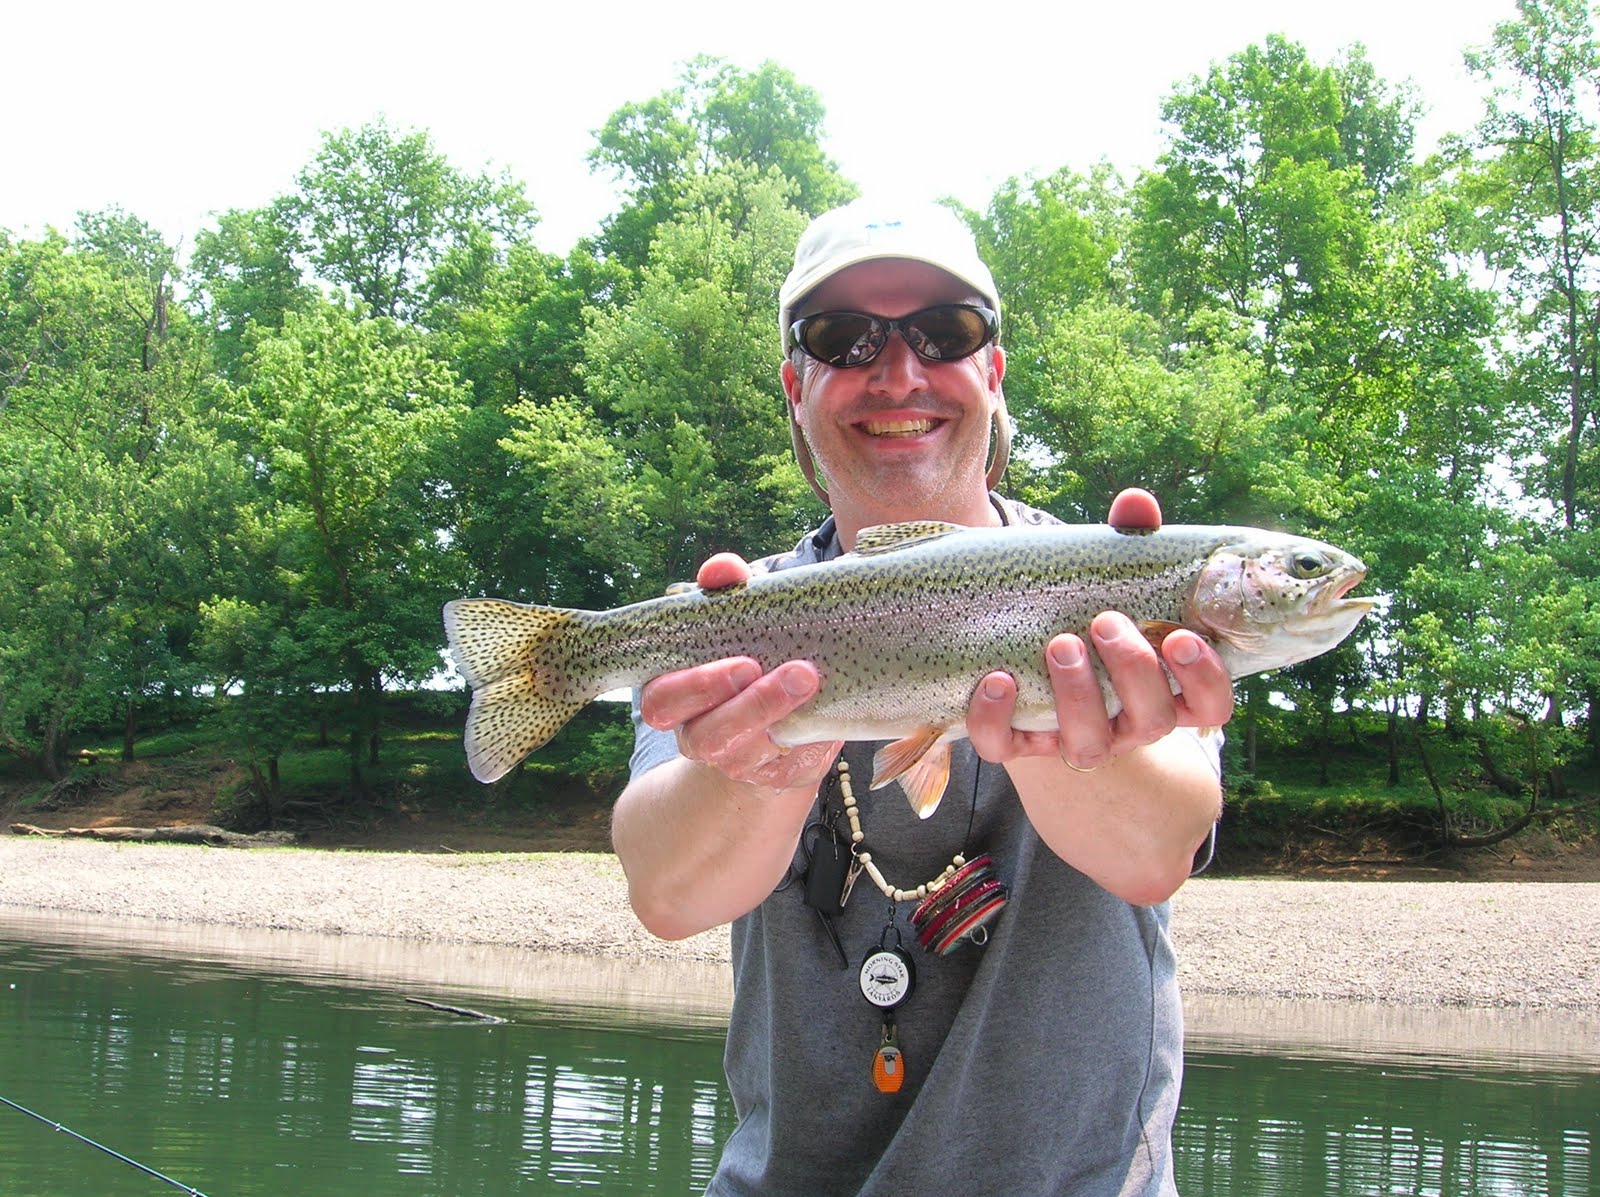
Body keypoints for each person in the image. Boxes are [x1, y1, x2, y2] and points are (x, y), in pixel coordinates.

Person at [610, 198, 1234, 1196]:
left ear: (991, 371)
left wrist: (1071, 737)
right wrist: (772, 753)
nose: (896, 373)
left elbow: (1155, 853)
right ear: (795, 388)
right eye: (842, 338)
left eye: (943, 333)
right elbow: (669, 892)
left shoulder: (1114, 589)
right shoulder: (729, 617)